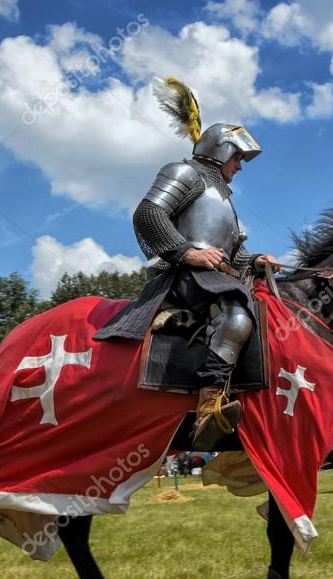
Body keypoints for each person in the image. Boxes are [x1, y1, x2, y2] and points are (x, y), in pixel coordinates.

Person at [95, 78, 281, 451]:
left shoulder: (224, 200)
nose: (239, 168)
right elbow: (148, 214)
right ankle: (208, 410)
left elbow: (231, 255)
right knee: (238, 316)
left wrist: (256, 259)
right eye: (237, 158)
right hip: (182, 275)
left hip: (212, 276)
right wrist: (185, 252)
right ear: (220, 150)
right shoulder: (184, 173)